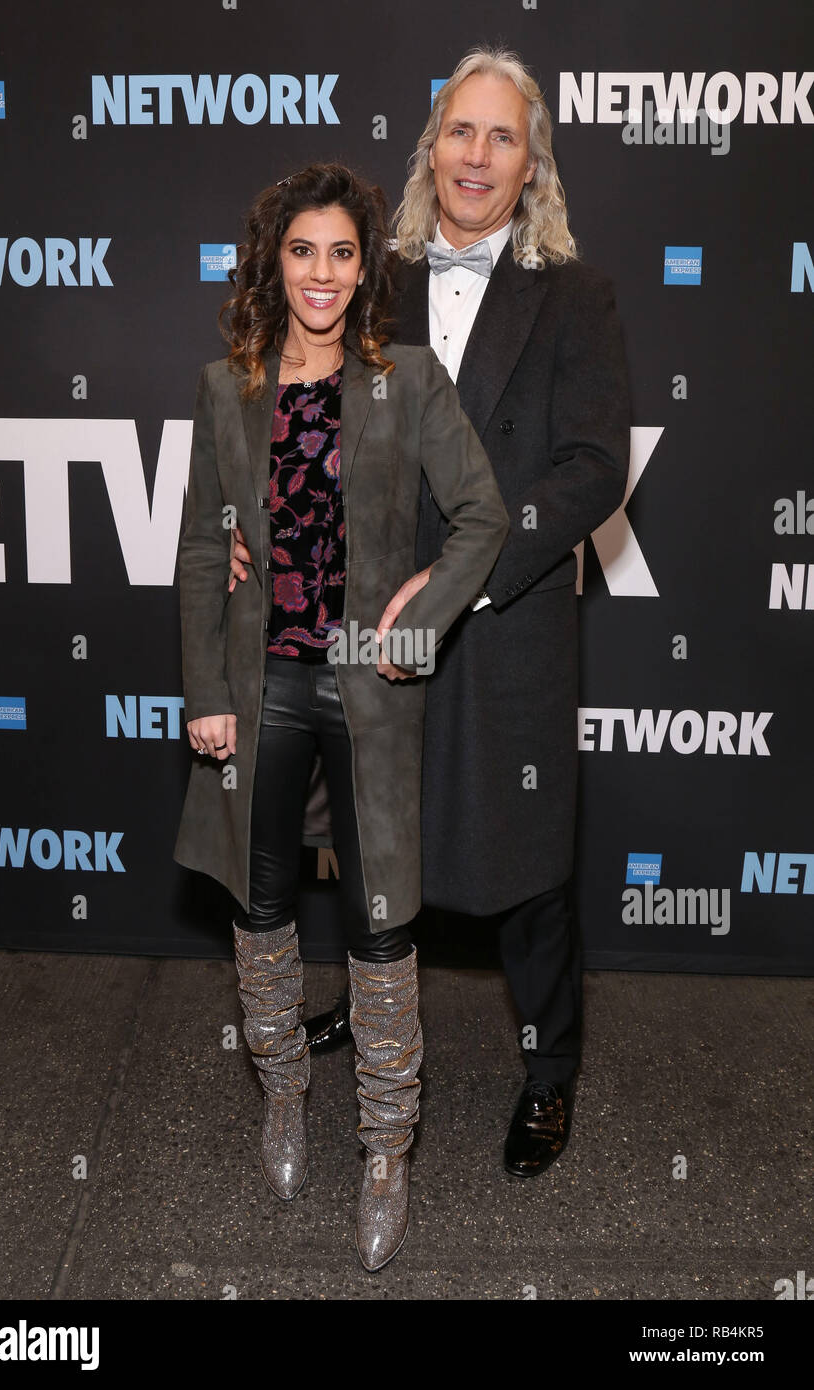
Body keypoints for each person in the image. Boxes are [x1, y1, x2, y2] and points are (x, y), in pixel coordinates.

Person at [230, 47, 631, 1181]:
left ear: (531, 166)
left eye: (503, 137)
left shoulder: (578, 295)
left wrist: (473, 571)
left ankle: (548, 1071)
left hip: (505, 618)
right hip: (369, 620)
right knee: (372, 840)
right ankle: (373, 1004)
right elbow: (299, 425)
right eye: (461, 131)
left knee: (526, 865)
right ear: (430, 149)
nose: (477, 155)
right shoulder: (371, 277)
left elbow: (595, 467)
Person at [173, 162, 508, 1270]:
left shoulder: (405, 380)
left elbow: (481, 519)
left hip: (370, 686)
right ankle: (281, 1090)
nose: (321, 273)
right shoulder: (228, 387)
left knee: (377, 925)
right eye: (302, 250)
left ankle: (382, 1145)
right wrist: (207, 696)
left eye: (343, 253)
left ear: (366, 270)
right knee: (261, 902)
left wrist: (422, 616)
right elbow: (197, 546)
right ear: (275, 261)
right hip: (262, 682)